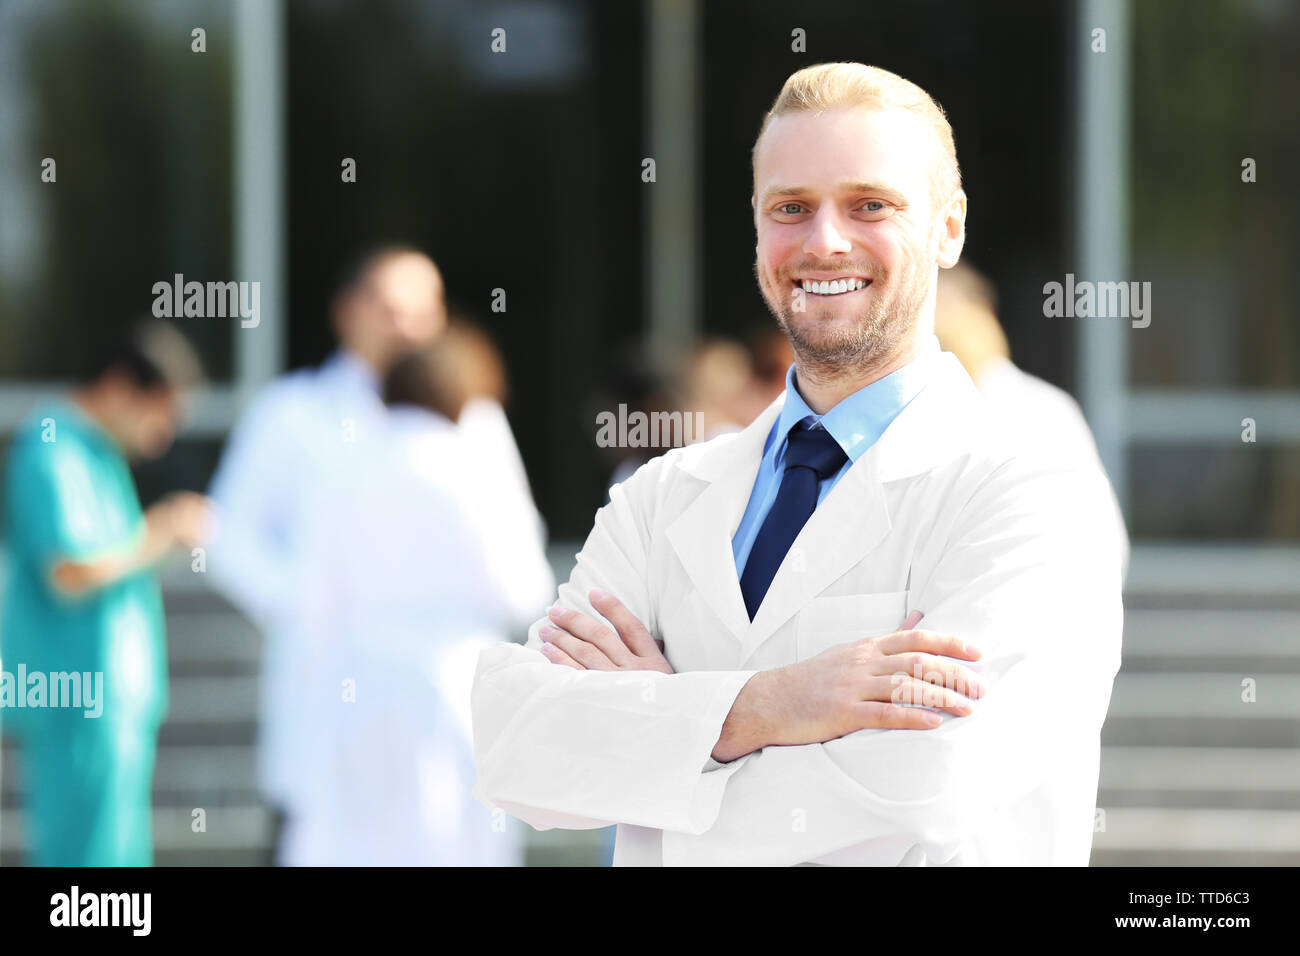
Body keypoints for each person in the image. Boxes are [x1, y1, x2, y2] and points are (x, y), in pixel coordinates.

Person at [471, 62, 1124, 866]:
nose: (824, 242)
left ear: (949, 227)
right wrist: (772, 704)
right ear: (756, 227)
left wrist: (658, 738)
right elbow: (518, 753)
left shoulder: (1035, 495)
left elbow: (932, 782)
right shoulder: (662, 495)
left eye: (869, 205)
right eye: (791, 208)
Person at [205, 245, 447, 860]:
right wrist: (302, 599)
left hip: (432, 720)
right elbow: (227, 533)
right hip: (322, 698)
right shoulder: (292, 414)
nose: (410, 327)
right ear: (348, 312)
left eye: (426, 310)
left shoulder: (465, 418)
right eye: (393, 308)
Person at [280, 328, 554, 865]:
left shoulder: (342, 467)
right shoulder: (474, 468)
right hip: (456, 684)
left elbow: (312, 594)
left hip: (355, 679)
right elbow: (524, 589)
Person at [0, 320, 210, 865]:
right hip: (79, 693)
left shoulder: (90, 451)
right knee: (84, 863)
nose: (161, 435)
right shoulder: (53, 447)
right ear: (121, 386)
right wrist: (160, 533)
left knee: (113, 857)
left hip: (109, 695)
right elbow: (68, 572)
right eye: (160, 413)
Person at [934, 261, 1130, 578]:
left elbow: (1103, 544)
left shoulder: (1042, 412)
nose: (942, 325)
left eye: (947, 310)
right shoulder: (1047, 407)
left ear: (985, 315)